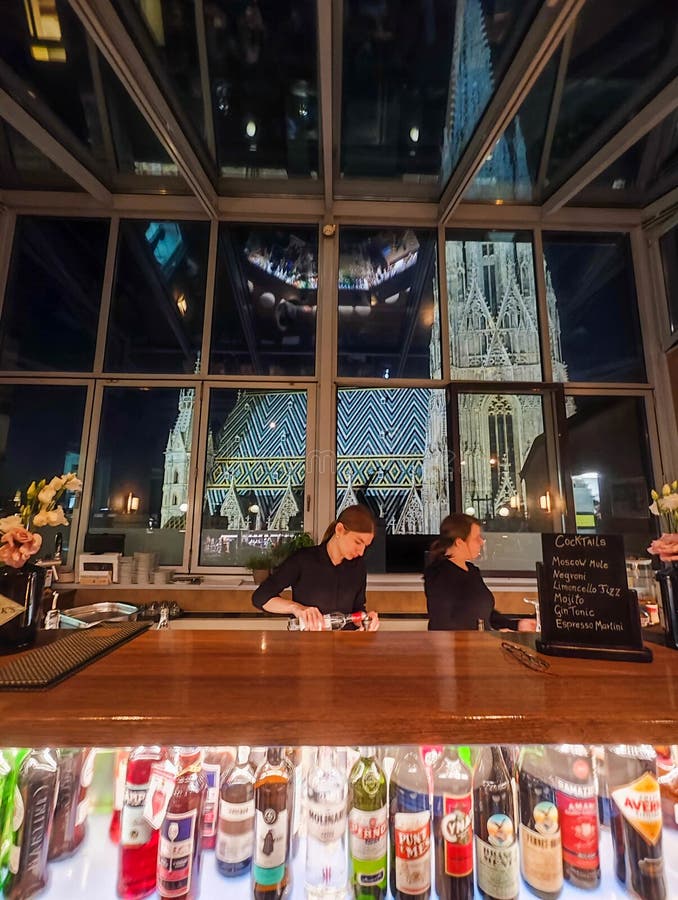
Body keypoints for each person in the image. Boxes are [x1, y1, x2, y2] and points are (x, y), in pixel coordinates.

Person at [252, 504, 380, 631]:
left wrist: (365, 619)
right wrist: (296, 608)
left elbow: (357, 609)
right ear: (339, 530)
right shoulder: (304, 559)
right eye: (358, 542)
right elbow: (260, 597)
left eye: (366, 546)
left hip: (345, 646)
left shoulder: (358, 567)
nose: (361, 552)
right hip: (307, 645)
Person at [424, 513, 536, 632]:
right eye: (476, 538)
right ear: (459, 542)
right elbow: (442, 624)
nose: (482, 542)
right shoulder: (440, 574)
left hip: (480, 644)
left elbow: (484, 614)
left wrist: (517, 625)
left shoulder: (472, 571)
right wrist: (490, 636)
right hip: (460, 649)